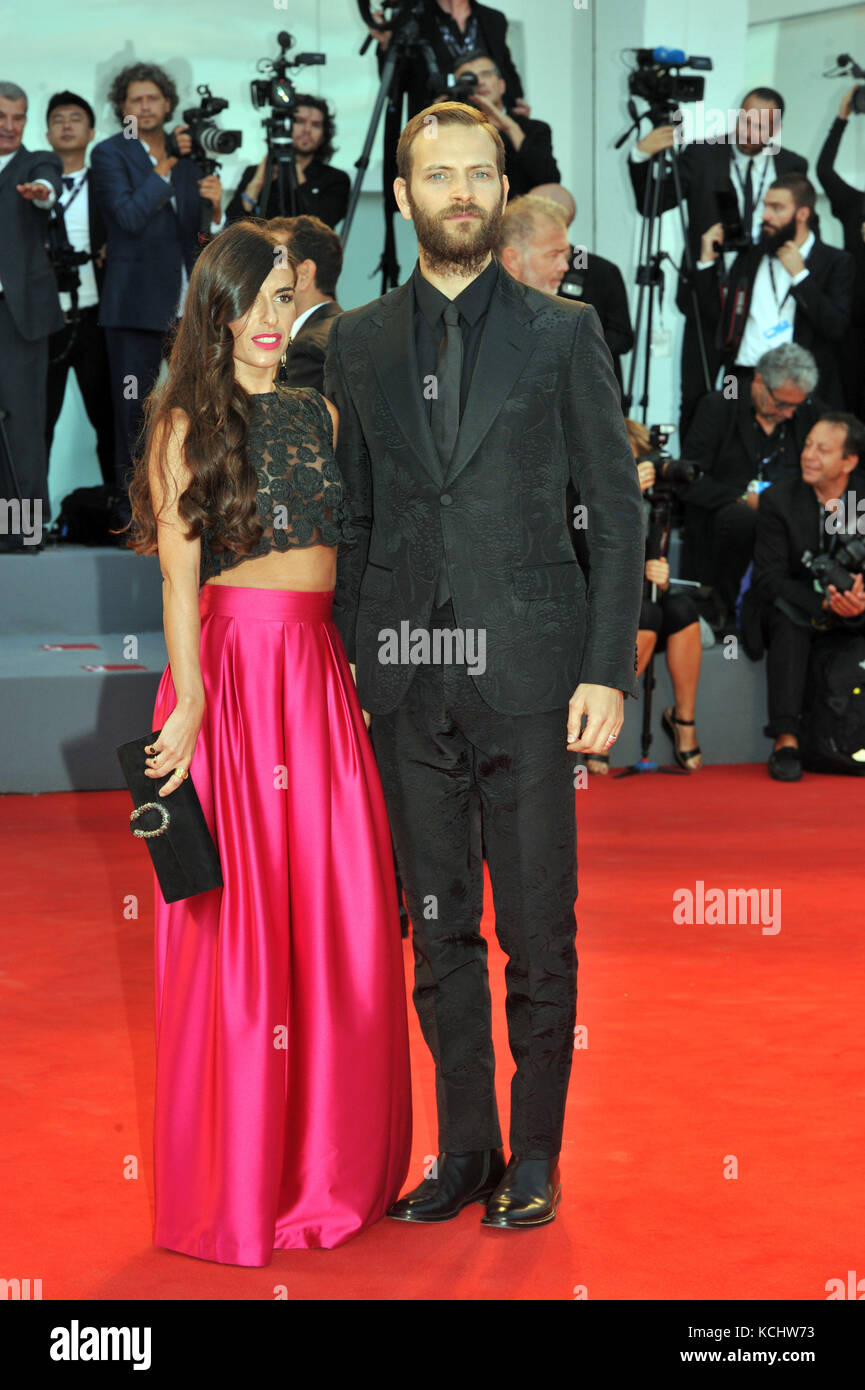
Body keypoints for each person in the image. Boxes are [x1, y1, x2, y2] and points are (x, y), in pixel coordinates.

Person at [324, 102, 643, 1229]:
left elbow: (613, 508)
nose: (459, 190)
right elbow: (357, 521)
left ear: (501, 189)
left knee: (536, 928)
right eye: (437, 174)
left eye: (478, 172)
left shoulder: (564, 332)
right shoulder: (354, 341)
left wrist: (608, 667)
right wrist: (352, 672)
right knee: (437, 922)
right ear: (402, 195)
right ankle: (465, 1151)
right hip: (405, 678)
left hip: (534, 673)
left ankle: (538, 1154)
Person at [127, 220, 411, 1265]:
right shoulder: (180, 424)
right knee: (240, 941)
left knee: (338, 924)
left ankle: (332, 1172)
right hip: (233, 687)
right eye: (251, 303)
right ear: (215, 309)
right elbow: (177, 577)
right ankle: (243, 1183)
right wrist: (190, 704)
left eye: (283, 300)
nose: (269, 321)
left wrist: (363, 685)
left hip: (319, 684)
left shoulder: (319, 408)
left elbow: (352, 550)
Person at [628, 88, 808, 436]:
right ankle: (691, 482)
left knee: (749, 395)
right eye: (744, 118)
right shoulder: (703, 154)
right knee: (697, 394)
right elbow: (652, 205)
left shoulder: (793, 165)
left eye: (760, 125)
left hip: (765, 303)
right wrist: (640, 156)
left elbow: (800, 225)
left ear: (776, 128)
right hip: (708, 293)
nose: (747, 131)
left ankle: (740, 478)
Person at [91, 62, 225, 506]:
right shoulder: (110, 153)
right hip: (133, 304)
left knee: (202, 404)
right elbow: (127, 217)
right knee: (134, 411)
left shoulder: (190, 161)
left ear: (168, 103)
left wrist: (217, 210)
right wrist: (165, 163)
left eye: (152, 98)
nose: (144, 106)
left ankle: (200, 504)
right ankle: (133, 513)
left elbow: (199, 235)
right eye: (135, 100)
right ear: (122, 109)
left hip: (190, 303)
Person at [750, 413, 865, 781]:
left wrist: (859, 604)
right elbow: (770, 579)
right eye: (808, 445)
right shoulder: (780, 499)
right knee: (789, 622)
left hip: (854, 608)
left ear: (848, 462)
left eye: (823, 449)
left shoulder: (862, 500)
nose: (809, 455)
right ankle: (786, 740)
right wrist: (825, 604)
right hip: (793, 605)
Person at [584, 420, 704, 775]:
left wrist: (660, 574)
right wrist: (623, 495)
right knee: (648, 614)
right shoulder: (583, 498)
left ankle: (683, 721)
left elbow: (652, 561)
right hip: (592, 599)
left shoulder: (656, 506)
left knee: (681, 608)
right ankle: (601, 722)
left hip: (636, 594)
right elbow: (587, 557)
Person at [678, 343, 823, 623]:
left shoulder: (807, 413)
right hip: (727, 516)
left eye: (797, 404)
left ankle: (792, 611)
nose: (789, 413)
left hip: (788, 517)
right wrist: (741, 498)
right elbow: (688, 481)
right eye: (781, 403)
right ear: (758, 381)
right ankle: (724, 609)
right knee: (744, 518)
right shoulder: (718, 407)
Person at [692, 174, 854, 411]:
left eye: (777, 208)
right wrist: (706, 262)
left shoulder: (836, 261)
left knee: (795, 446)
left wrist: (801, 277)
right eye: (766, 206)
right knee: (725, 429)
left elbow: (836, 327)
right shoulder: (750, 256)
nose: (766, 216)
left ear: (803, 214)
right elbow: (717, 316)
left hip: (798, 383)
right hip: (739, 376)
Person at [0, 79, 63, 546]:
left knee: (23, 422)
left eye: (18, 117)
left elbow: (48, 188)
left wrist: (42, 191)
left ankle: (21, 530)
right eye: (1, 117)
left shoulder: (38, 163)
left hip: (18, 316)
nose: (9, 126)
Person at [497, 189, 634, 396]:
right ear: (512, 259)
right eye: (553, 256)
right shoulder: (476, 315)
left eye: (565, 255)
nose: (564, 266)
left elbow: (623, 337)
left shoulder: (598, 276)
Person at [43, 91, 114, 489]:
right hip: (44, 321)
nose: (66, 125)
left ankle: (121, 524)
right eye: (57, 119)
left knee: (109, 420)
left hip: (96, 319)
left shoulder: (106, 185)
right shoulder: (31, 184)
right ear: (48, 132)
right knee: (36, 425)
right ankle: (25, 527)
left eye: (75, 118)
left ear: (90, 131)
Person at [367, 0, 526, 120]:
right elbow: (395, 88)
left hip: (488, 126)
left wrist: (516, 112)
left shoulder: (493, 20)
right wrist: (386, 44)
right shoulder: (414, 19)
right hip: (434, 125)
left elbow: (506, 71)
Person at [816, 84, 865, 420]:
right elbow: (824, 171)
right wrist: (841, 118)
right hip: (853, 324)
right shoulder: (855, 203)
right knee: (850, 403)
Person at [226, 98, 349, 229]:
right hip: (261, 249)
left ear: (324, 135)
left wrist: (298, 178)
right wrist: (257, 184)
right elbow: (232, 226)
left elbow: (323, 227)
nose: (307, 129)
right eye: (300, 121)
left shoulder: (336, 179)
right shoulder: (254, 172)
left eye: (316, 125)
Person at [449, 50, 558, 198]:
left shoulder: (534, 129)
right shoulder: (452, 131)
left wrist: (509, 127)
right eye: (470, 78)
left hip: (520, 215)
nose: (480, 82)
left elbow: (549, 179)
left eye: (486, 74)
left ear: (502, 85)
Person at [266, 215, 343, 390]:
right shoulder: (342, 331)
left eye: (270, 261)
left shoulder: (309, 351)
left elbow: (280, 417)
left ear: (304, 274)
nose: (255, 273)